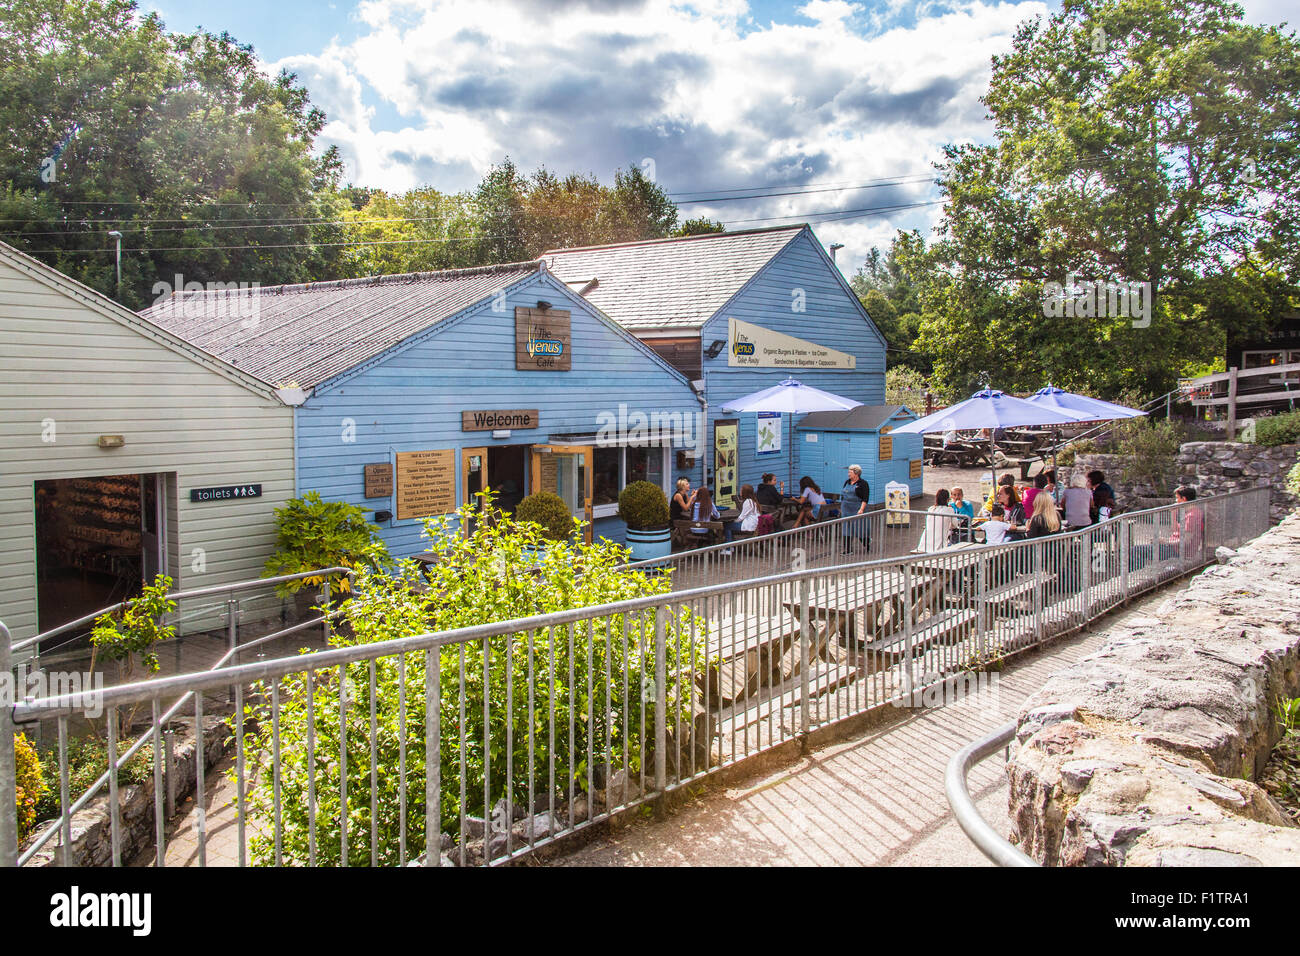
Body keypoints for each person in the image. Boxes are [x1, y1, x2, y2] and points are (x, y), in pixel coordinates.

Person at [841, 464, 872, 553]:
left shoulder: (863, 484)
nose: (848, 474)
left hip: (857, 508)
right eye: (848, 472)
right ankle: (847, 550)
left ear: (856, 473)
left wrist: (861, 509)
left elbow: (865, 498)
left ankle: (867, 545)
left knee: (860, 529)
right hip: (846, 509)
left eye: (850, 472)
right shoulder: (847, 482)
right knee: (846, 529)